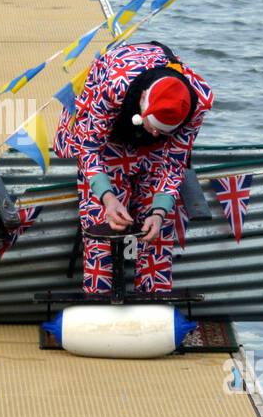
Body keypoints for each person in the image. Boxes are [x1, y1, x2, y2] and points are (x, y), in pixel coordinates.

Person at [53, 41, 213, 294]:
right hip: (107, 138)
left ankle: (154, 299)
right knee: (102, 225)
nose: (153, 133)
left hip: (158, 152)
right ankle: (100, 300)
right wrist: (108, 198)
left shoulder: (200, 101)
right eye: (151, 126)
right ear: (142, 101)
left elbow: (174, 164)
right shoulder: (114, 85)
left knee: (157, 231)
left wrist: (159, 211)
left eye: (161, 131)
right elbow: (90, 148)